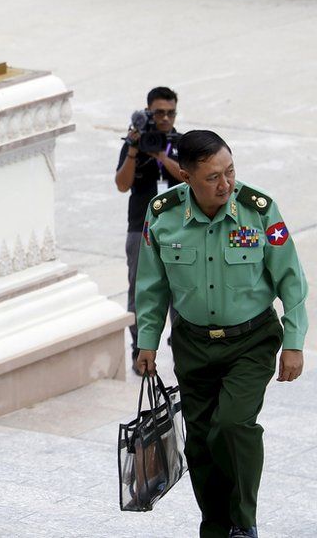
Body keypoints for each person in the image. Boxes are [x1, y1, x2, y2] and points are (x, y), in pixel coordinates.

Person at [134, 130, 308, 538]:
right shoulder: (162, 214)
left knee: (232, 425)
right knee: (200, 441)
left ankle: (243, 523)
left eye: (230, 171)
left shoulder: (259, 210)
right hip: (193, 343)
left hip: (252, 339)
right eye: (213, 177)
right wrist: (148, 341)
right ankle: (215, 526)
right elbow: (151, 285)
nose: (226, 184)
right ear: (186, 174)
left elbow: (292, 282)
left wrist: (294, 342)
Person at [115, 86, 183, 373]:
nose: (165, 119)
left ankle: (182, 352)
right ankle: (139, 352)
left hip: (179, 230)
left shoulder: (182, 143)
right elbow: (121, 184)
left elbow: (189, 178)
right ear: (148, 112)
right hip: (140, 228)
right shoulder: (135, 143)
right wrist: (134, 149)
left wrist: (161, 155)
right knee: (140, 293)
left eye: (170, 113)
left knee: (181, 292)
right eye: (159, 113)